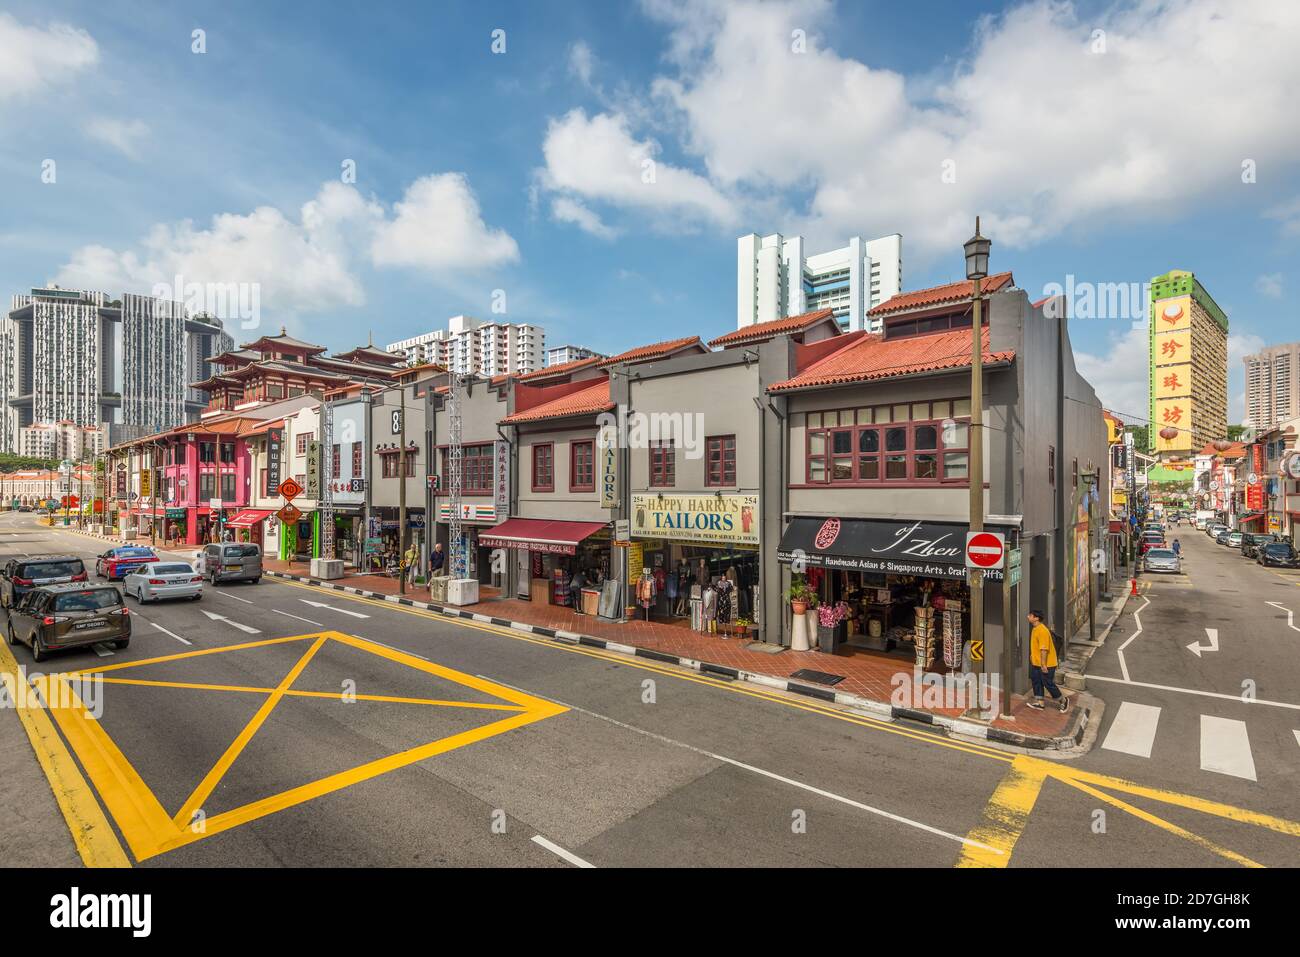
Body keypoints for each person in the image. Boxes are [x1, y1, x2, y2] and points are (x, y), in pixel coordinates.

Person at [1026, 610, 1068, 712]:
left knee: (1048, 683)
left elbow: (1044, 649)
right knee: (1036, 681)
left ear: (1036, 618)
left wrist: (1043, 664)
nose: (1028, 616)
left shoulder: (1042, 630)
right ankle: (1040, 703)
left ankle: (1063, 700)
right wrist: (1032, 656)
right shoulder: (1035, 629)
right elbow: (1036, 646)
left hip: (1047, 664)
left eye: (1030, 615)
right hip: (1036, 663)